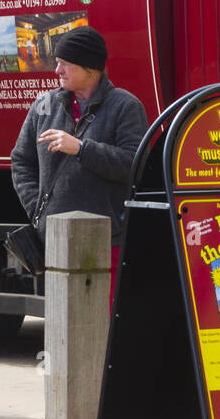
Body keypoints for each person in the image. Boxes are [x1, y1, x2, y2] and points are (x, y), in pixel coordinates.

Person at [10, 26, 146, 301]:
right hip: (56, 239)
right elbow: (21, 161)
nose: (57, 71)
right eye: (57, 63)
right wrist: (38, 208)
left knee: (102, 329)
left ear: (91, 70)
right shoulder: (43, 105)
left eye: (65, 64)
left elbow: (135, 165)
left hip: (107, 241)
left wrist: (81, 148)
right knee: (63, 327)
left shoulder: (126, 106)